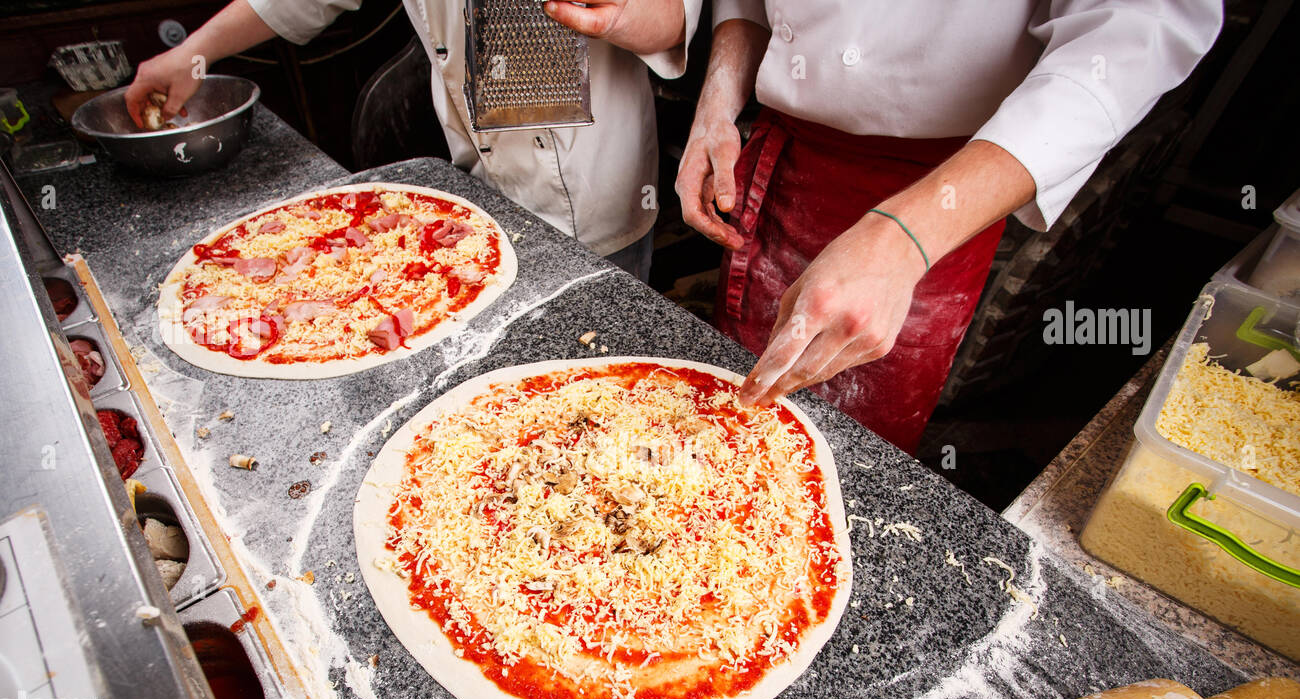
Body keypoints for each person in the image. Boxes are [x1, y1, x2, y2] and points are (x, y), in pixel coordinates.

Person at [675, 1, 1223, 452]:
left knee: (862, 443)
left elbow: (1134, 35)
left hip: (950, 186)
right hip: (787, 160)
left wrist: (904, 235)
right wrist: (715, 109)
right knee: (739, 398)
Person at [126, 0, 703, 281]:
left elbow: (675, 18)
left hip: (595, 192)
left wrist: (616, 12)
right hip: (478, 186)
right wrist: (191, 53)